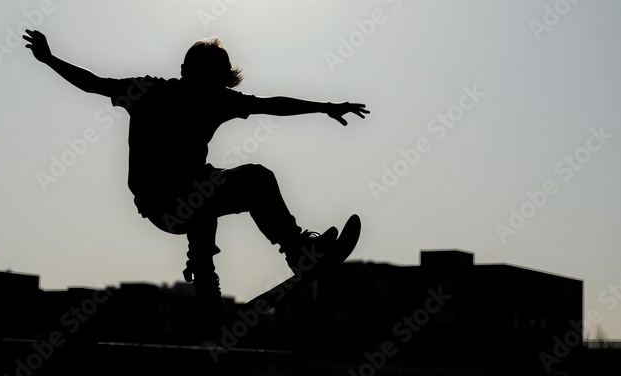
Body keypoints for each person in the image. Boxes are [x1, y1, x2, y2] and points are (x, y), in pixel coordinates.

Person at [24, 29, 368, 312]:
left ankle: (219, 292)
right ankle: (283, 257)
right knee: (231, 184)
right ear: (192, 73)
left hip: (171, 202)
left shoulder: (193, 95)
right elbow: (93, 83)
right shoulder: (155, 92)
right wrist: (49, 59)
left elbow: (272, 105)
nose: (211, 89)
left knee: (218, 186)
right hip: (162, 202)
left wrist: (324, 107)